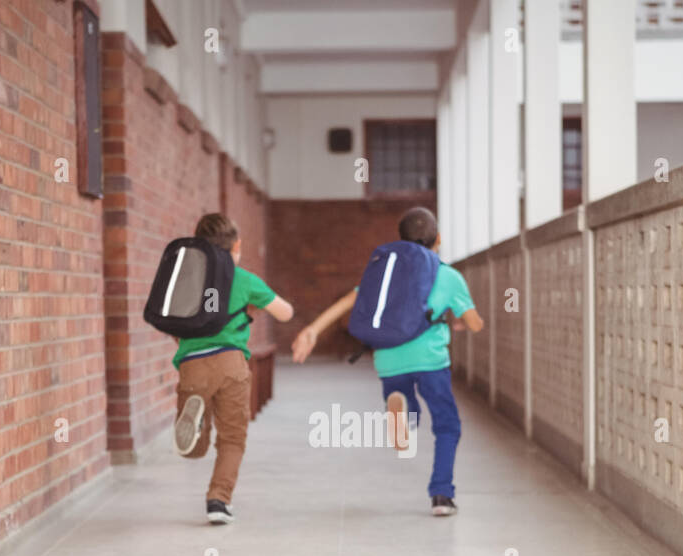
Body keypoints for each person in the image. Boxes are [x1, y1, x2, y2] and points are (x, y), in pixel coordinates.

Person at [291, 207, 483, 516]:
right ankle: (441, 495)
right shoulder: (448, 275)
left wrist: (312, 330)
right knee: (447, 425)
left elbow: (349, 301)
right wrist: (461, 321)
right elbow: (473, 323)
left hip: (389, 358)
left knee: (407, 414)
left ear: (402, 238)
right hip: (430, 360)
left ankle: (401, 408)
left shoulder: (388, 271)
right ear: (439, 239)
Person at [172, 213, 294, 524]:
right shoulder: (245, 279)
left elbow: (174, 325)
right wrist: (252, 306)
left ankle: (196, 424)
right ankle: (218, 501)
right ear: (236, 245)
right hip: (230, 364)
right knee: (232, 438)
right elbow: (285, 314)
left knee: (193, 450)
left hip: (191, 364)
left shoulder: (186, 279)